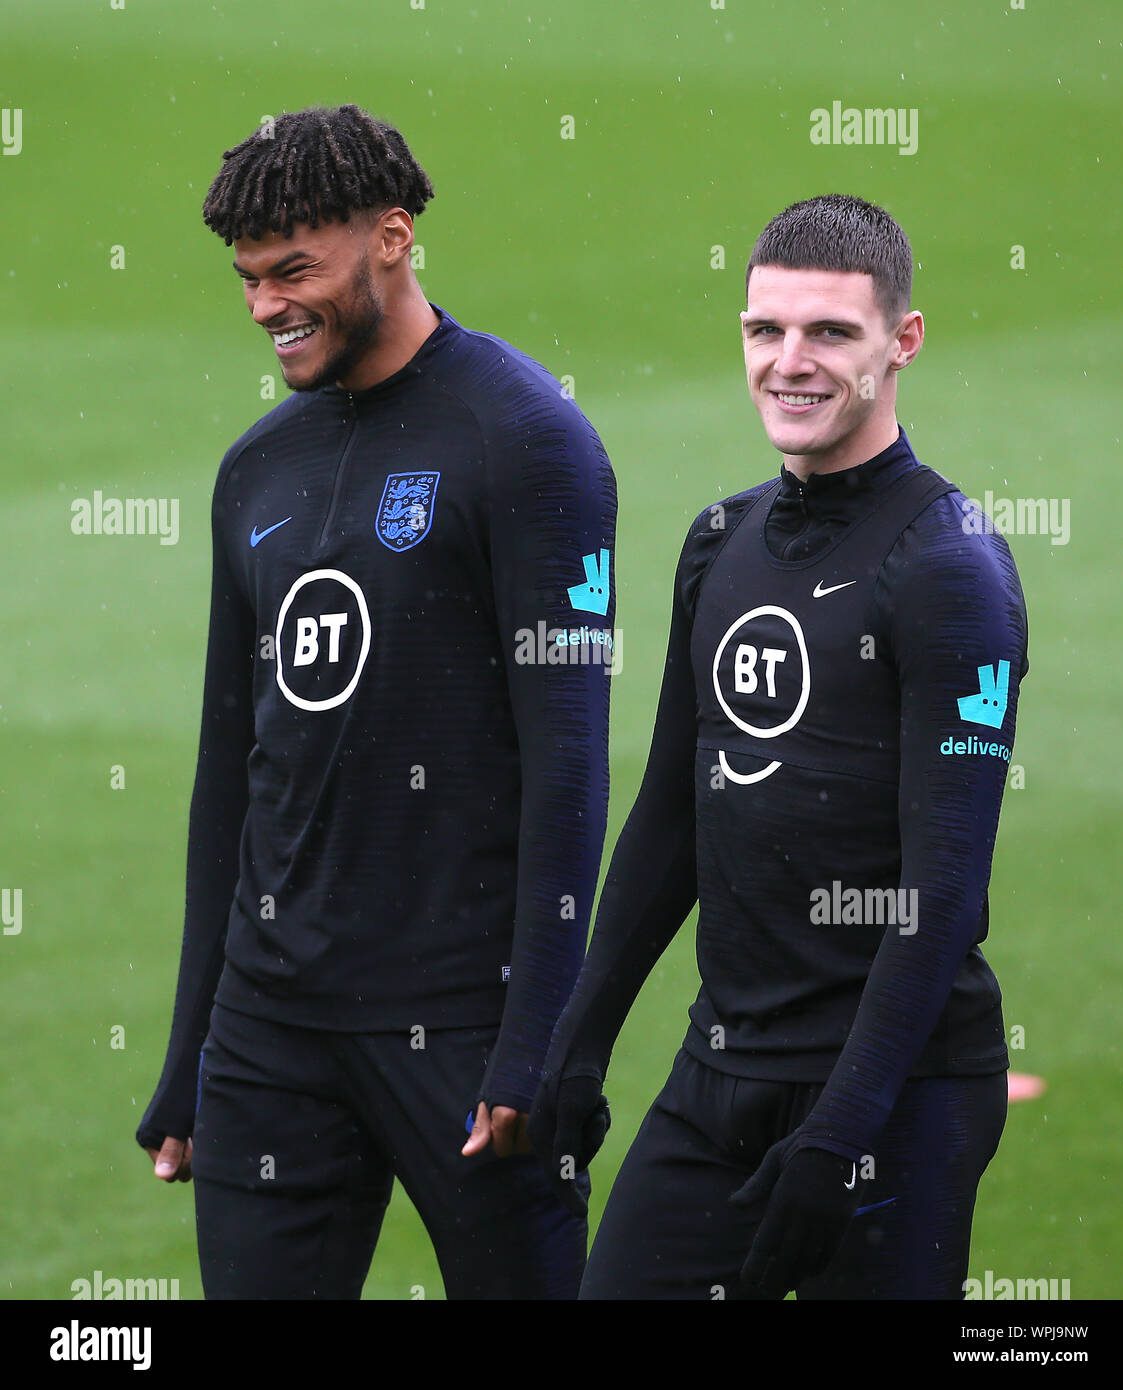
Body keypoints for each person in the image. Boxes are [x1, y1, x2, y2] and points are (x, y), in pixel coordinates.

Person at [135, 104, 617, 1300]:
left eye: (294, 270)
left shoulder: (527, 440)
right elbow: (228, 766)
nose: (266, 307)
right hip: (270, 1025)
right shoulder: (257, 465)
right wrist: (194, 1044)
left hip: (461, 1019)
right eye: (248, 279)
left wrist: (537, 1043)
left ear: (392, 236)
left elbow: (571, 764)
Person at [529, 193, 1028, 1300]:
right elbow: (671, 813)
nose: (787, 363)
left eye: (829, 333)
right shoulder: (719, 539)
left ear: (902, 342)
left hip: (898, 1094)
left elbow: (940, 894)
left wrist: (845, 1128)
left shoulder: (950, 570)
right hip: (722, 1073)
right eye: (764, 330)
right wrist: (579, 1039)